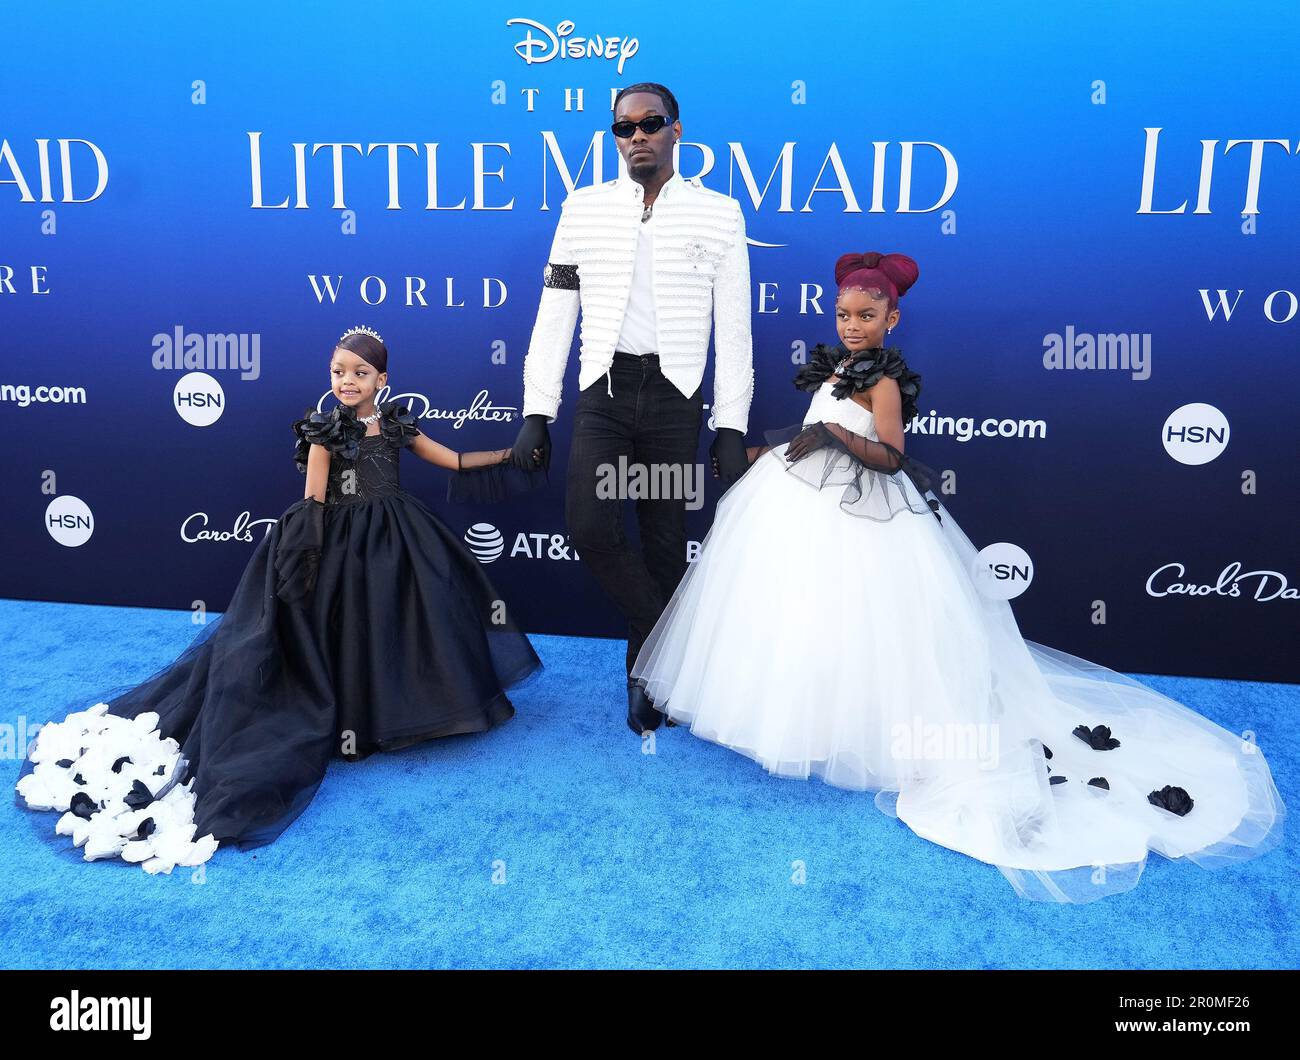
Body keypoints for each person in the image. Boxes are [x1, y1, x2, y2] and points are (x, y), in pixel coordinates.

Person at [630, 252, 1286, 903]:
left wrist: (833, 436)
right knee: (795, 611)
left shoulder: (883, 381)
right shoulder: (838, 367)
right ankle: (788, 714)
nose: (852, 324)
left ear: (893, 316)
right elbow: (814, 429)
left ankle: (848, 730)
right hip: (794, 504)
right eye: (843, 313)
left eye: (866, 314)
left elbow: (889, 457)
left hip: (863, 516)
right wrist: (779, 445)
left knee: (857, 618)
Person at [16, 326, 543, 873]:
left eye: (359, 373)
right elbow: (314, 500)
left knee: (397, 621)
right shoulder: (324, 433)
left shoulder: (397, 426)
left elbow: (453, 461)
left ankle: (391, 709)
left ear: (382, 380)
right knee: (338, 625)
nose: (347, 381)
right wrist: (304, 561)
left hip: (396, 535)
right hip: (337, 541)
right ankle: (348, 718)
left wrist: (510, 454)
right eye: (339, 372)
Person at [509, 81, 754, 735]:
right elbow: (555, 312)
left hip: (675, 401)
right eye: (624, 127)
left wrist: (730, 423)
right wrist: (539, 408)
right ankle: (678, 652)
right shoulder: (583, 209)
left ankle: (647, 679)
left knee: (665, 542)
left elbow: (734, 330)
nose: (637, 135)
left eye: (651, 122)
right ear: (614, 136)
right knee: (590, 526)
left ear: (678, 128)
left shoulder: (720, 213)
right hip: (604, 394)